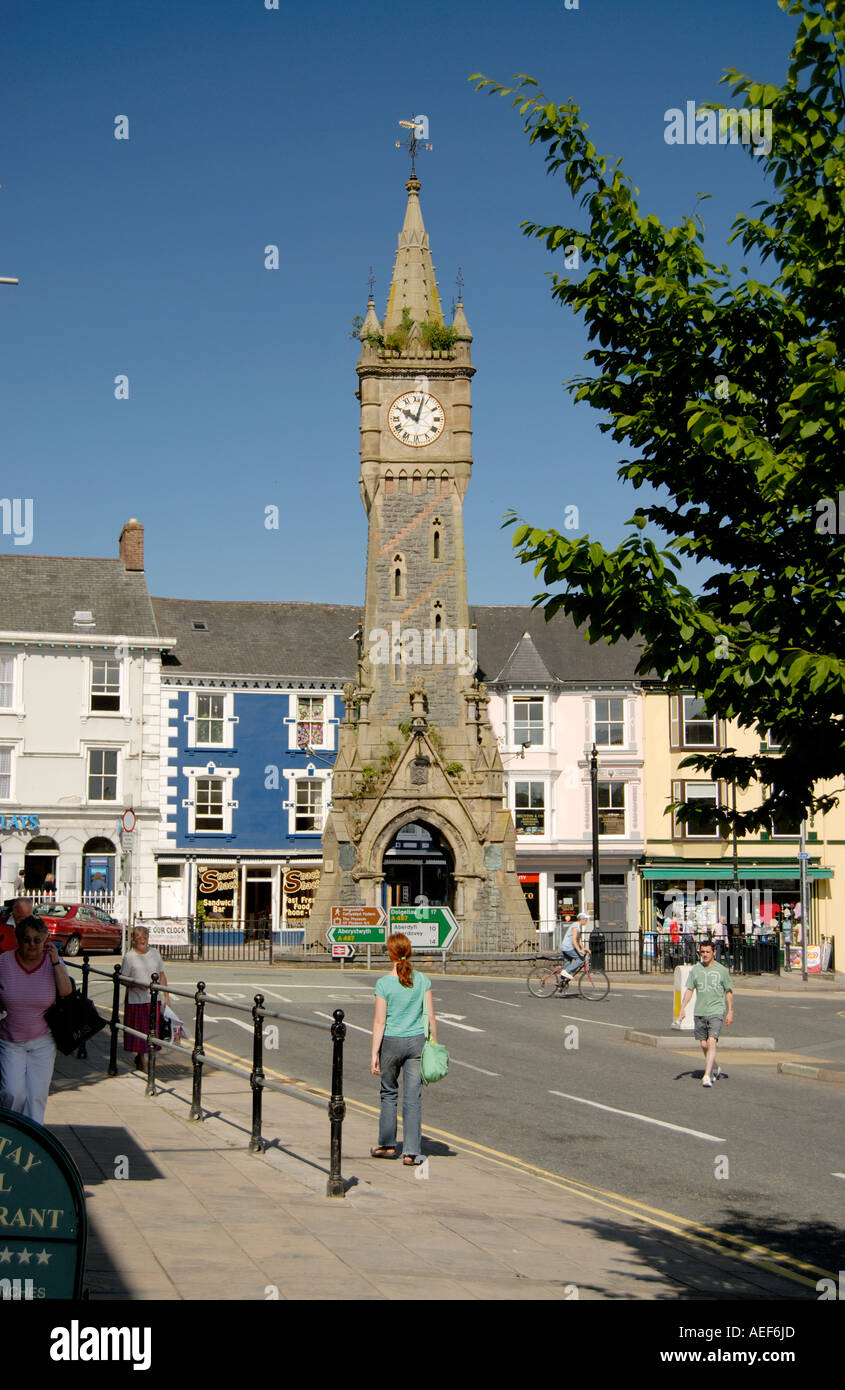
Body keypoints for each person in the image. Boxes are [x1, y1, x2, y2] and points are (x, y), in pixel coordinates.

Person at [370, 933, 437, 1166]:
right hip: (416, 1042)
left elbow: (379, 1021)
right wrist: (433, 1045)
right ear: (409, 952)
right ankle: (411, 1152)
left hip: (390, 1042)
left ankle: (388, 1145)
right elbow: (430, 1017)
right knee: (413, 1098)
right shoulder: (422, 980)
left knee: (388, 1093)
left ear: (390, 954)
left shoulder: (384, 983)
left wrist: (373, 1054)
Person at [0, 913, 73, 1123]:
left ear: (45, 940)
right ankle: (11, 1134)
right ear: (19, 940)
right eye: (26, 939)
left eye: (37, 940)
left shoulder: (52, 963)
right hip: (10, 1039)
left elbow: (66, 992)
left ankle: (34, 1141)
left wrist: (56, 962)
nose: (32, 945)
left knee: (36, 1097)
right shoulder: (4, 963)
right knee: (12, 1093)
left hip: (43, 1040)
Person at [678, 939, 734, 1087]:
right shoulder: (696, 970)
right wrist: (682, 1007)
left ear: (714, 953)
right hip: (700, 1011)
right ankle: (715, 1066)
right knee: (703, 1045)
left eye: (708, 952)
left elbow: (729, 991)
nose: (705, 955)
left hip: (716, 1011)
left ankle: (707, 1075)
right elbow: (689, 990)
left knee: (711, 1042)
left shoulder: (722, 970)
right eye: (702, 952)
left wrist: (730, 1011)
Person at [121, 924, 169, 1073]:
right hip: (136, 1000)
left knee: (153, 1033)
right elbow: (122, 979)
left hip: (154, 1000)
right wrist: (135, 985)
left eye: (145, 937)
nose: (142, 940)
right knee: (140, 1036)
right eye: (139, 938)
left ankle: (148, 1060)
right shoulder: (129, 957)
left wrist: (166, 996)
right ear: (134, 940)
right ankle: (143, 1061)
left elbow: (161, 974)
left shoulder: (155, 953)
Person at [559, 911, 589, 982]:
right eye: (586, 919)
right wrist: (579, 950)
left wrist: (584, 948)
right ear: (582, 919)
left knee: (567, 965)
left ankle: (561, 983)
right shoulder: (575, 926)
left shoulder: (578, 926)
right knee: (581, 959)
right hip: (568, 947)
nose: (587, 921)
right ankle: (566, 972)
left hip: (566, 947)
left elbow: (579, 939)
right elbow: (574, 940)